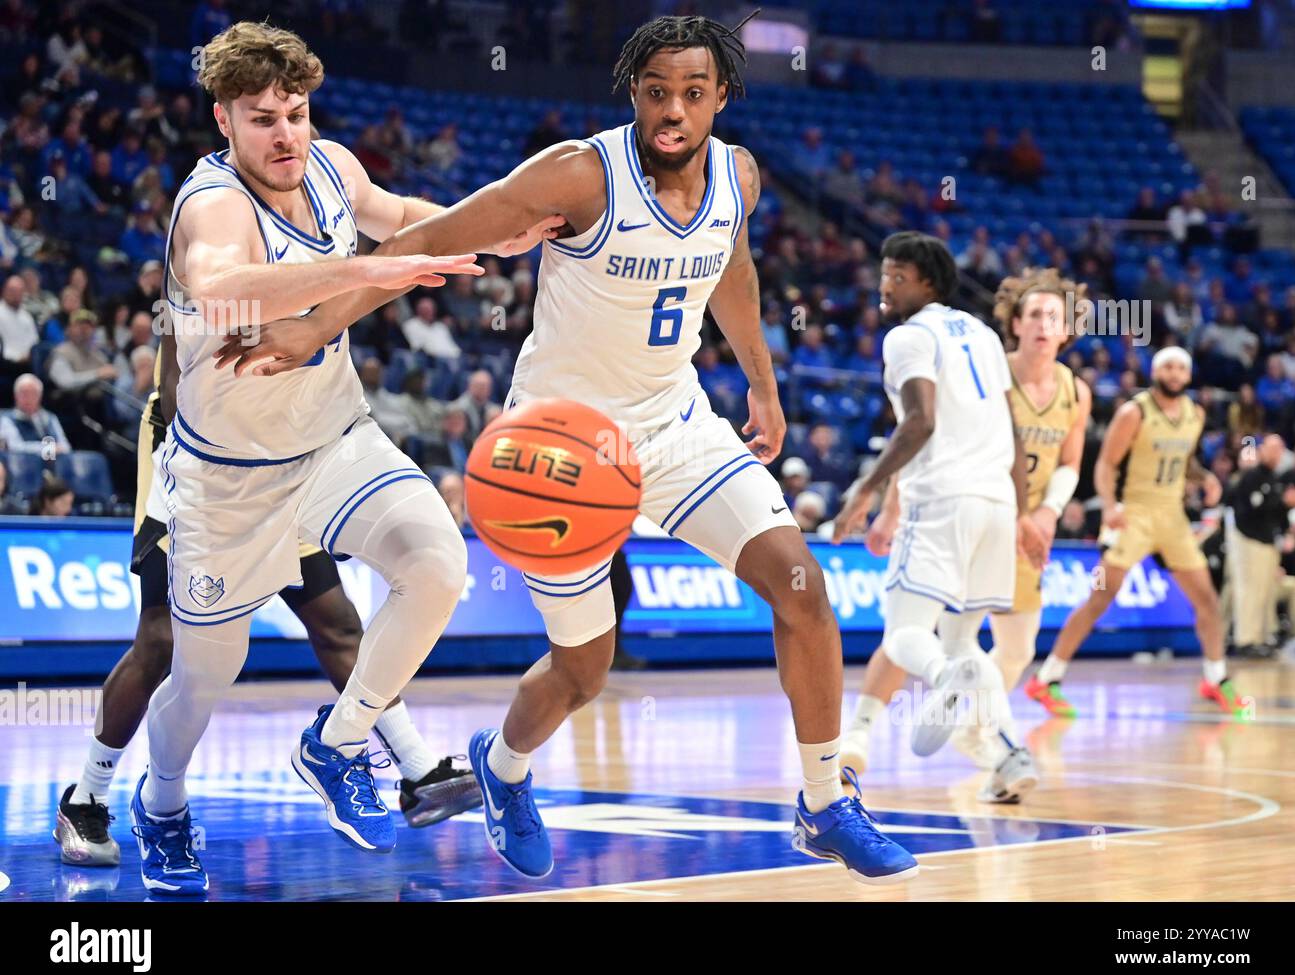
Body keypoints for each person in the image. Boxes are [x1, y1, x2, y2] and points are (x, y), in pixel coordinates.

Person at [217, 13, 918, 886]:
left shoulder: (739, 174)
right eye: (657, 91)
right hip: (558, 448)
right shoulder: (579, 173)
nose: (673, 111)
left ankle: (823, 802)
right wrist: (314, 328)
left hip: (675, 425)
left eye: (694, 94)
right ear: (633, 92)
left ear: (722, 97)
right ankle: (504, 767)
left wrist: (764, 388)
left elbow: (732, 270)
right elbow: (431, 241)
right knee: (586, 667)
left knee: (802, 589)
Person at [123, 21, 558, 896]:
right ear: (223, 122)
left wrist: (486, 232)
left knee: (437, 564)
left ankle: (340, 741)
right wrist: (363, 275)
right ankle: (160, 802)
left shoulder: (329, 165)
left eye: (296, 112)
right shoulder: (211, 205)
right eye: (261, 119)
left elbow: (395, 218)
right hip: (228, 480)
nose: (285, 134)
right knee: (205, 674)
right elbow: (219, 284)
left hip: (335, 442)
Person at [52, 346, 483, 870]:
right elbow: (176, 384)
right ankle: (88, 795)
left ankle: (415, 770)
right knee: (163, 639)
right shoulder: (209, 272)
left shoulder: (325, 270)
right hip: (200, 455)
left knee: (337, 622)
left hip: (290, 448)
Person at [839, 268, 1091, 795]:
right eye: (1034, 315)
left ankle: (974, 727)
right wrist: (890, 507)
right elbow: (922, 431)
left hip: (1019, 527)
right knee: (922, 631)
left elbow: (1070, 461)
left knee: (1011, 651)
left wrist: (1047, 513)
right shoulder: (986, 368)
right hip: (965, 508)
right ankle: (880, 734)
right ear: (1014, 324)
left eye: (1055, 317)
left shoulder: (1074, 389)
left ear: (1068, 329)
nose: (1045, 325)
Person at [1027, 348, 1240, 715]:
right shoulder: (1134, 412)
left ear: (1188, 377)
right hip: (1134, 515)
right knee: (1099, 597)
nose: (1174, 373)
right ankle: (1047, 678)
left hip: (1172, 518)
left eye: (1180, 368)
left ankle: (1215, 677)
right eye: (1167, 367)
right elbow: (1106, 465)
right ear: (1156, 372)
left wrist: (1204, 478)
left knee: (1206, 599)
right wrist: (1110, 505)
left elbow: (1184, 461)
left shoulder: (1195, 414)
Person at [1224, 434, 1295, 658]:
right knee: (1250, 592)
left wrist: (1284, 524)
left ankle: (1260, 638)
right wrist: (1284, 502)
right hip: (1250, 541)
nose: (1275, 454)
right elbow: (1252, 509)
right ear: (1262, 450)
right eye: (1271, 449)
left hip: (1267, 543)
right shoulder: (1252, 476)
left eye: (1279, 450)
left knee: (1265, 593)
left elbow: (1276, 513)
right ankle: (1245, 640)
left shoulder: (1275, 478)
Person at [0, 373, 71, 455]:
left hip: (50, 466)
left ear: (40, 395)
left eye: (33, 393)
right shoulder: (6, 418)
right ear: (16, 395)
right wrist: (48, 448)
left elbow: (65, 447)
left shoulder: (49, 418)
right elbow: (15, 447)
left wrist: (55, 449)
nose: (29, 398)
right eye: (24, 393)